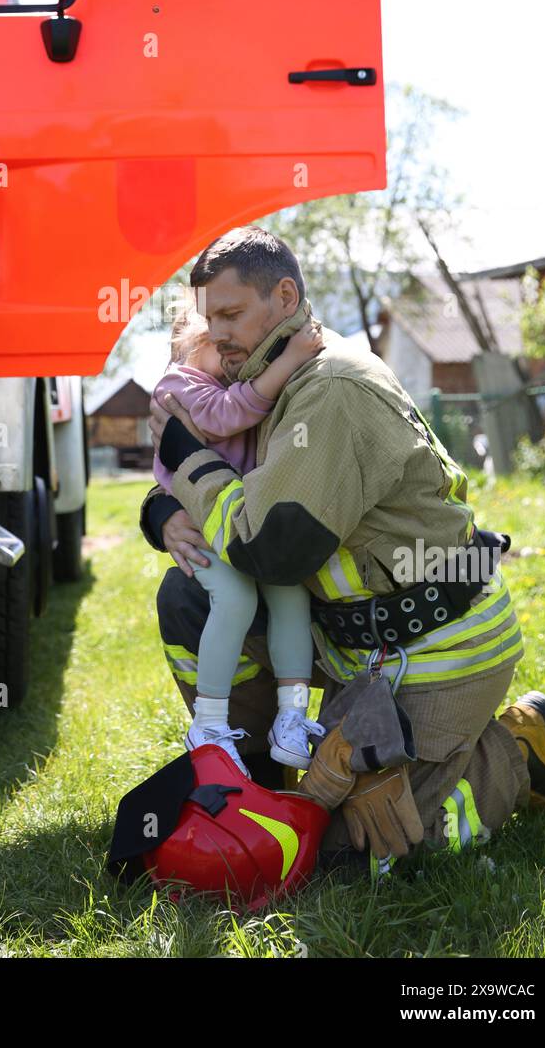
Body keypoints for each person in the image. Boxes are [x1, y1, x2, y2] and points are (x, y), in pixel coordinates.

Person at [141, 224, 545, 868]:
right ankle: (256, 778)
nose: (219, 334)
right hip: (345, 639)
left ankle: (515, 746)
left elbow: (270, 550)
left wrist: (183, 454)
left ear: (285, 297)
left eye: (232, 314)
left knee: (363, 854)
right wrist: (161, 509)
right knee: (190, 599)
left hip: (436, 648)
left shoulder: (329, 391)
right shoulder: (264, 384)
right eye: (211, 319)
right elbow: (232, 475)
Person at [151, 299, 327, 774]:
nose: (233, 367)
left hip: (244, 523)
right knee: (234, 600)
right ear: (196, 341)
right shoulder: (179, 385)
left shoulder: (228, 381)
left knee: (289, 594)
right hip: (204, 525)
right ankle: (208, 725)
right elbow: (225, 416)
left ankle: (291, 717)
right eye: (222, 349)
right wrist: (289, 359)